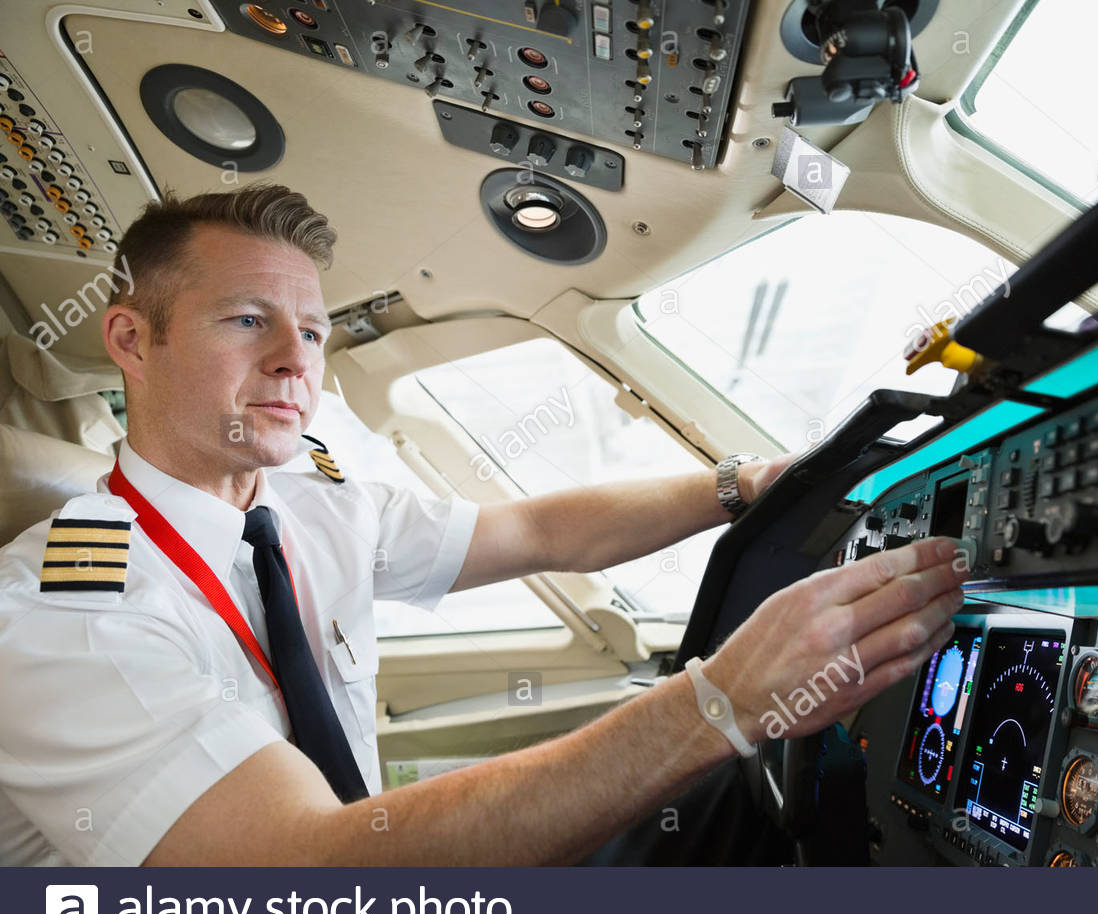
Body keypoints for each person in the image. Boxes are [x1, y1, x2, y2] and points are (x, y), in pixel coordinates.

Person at [0, 184, 967, 866]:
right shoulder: (64, 618)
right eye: (248, 321)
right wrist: (719, 700)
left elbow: (541, 534)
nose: (299, 361)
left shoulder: (309, 500)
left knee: (733, 809)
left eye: (313, 329)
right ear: (131, 338)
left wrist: (741, 483)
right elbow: (302, 876)